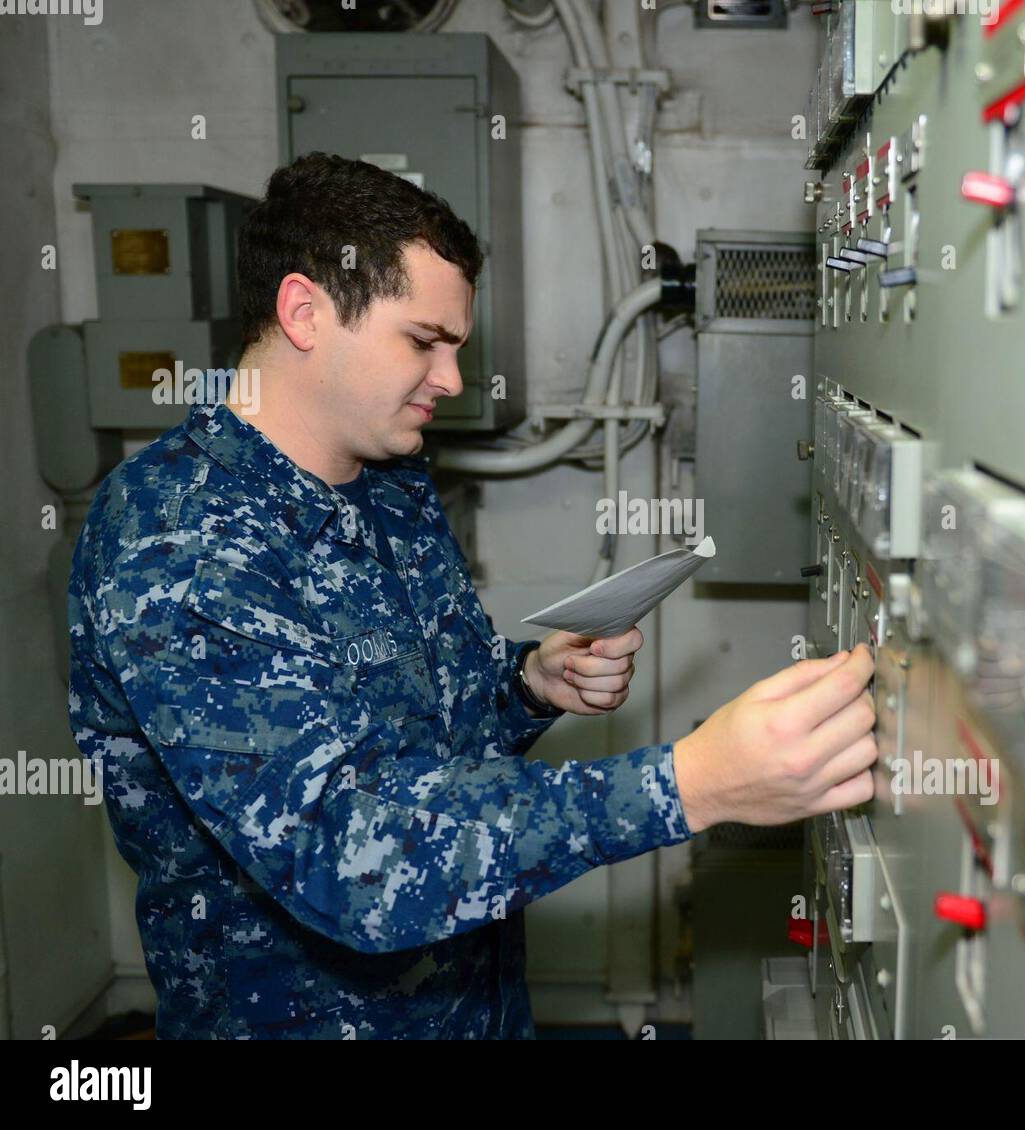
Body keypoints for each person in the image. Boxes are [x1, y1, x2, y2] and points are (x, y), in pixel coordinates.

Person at [66, 152, 878, 1039]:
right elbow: (350, 857)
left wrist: (528, 685)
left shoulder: (389, 480)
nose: (451, 380)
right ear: (305, 311)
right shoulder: (177, 539)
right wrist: (689, 785)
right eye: (423, 341)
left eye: (456, 346)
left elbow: (426, 733)